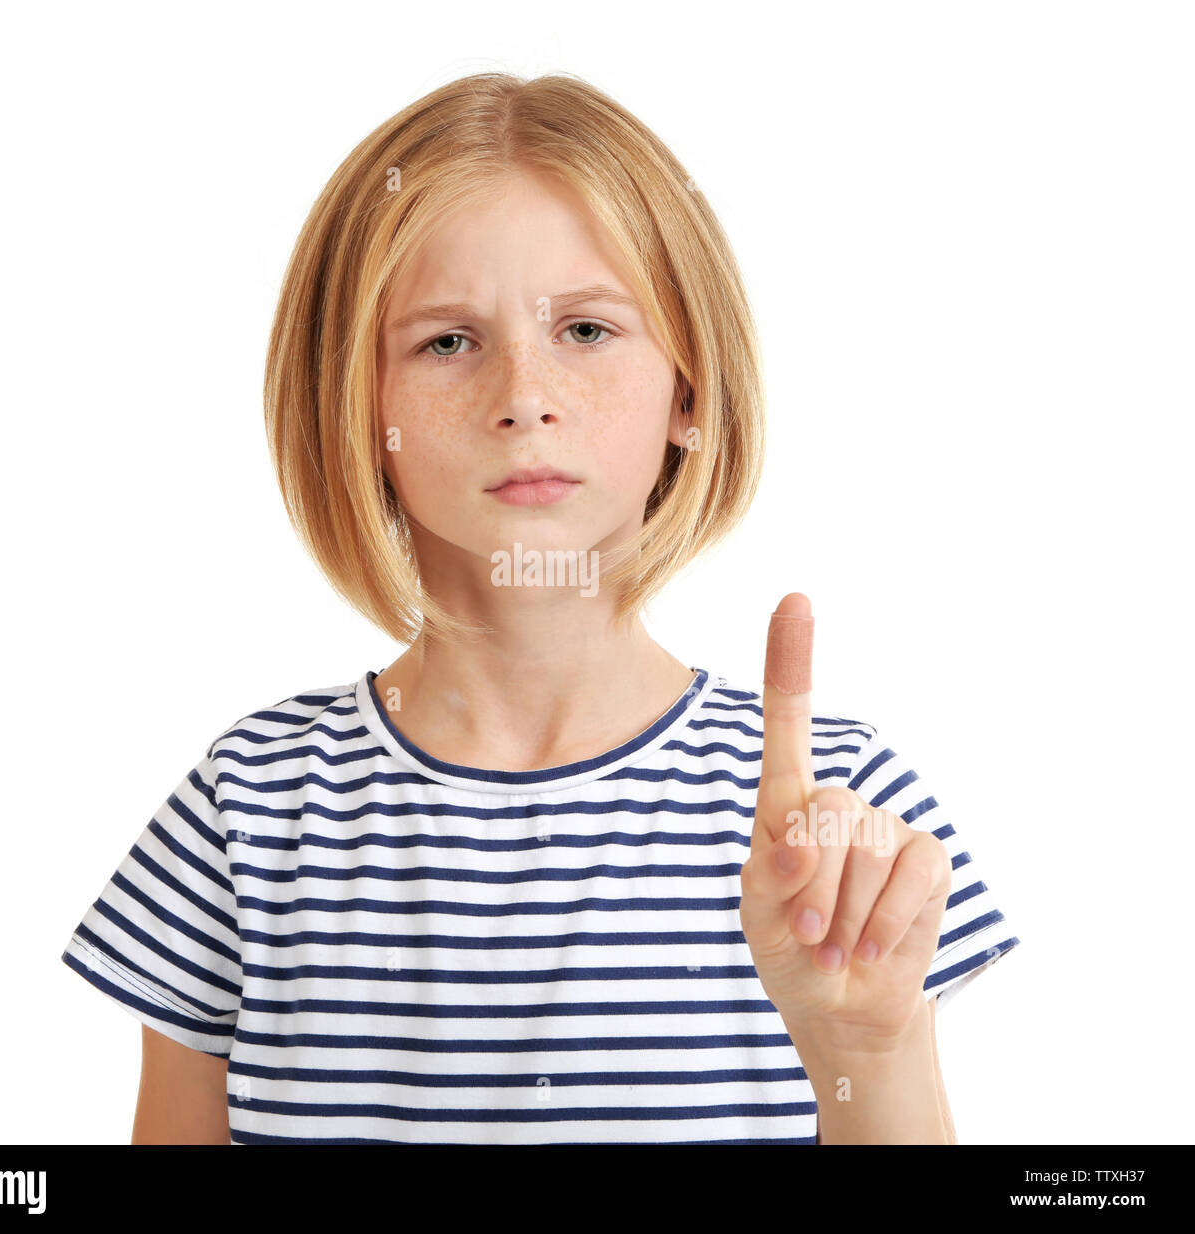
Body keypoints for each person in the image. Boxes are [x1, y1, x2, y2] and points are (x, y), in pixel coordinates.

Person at [60, 71, 1020, 1145]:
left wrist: (865, 1057)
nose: (524, 394)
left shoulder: (832, 815)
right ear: (354, 406)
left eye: (587, 330)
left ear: (687, 394)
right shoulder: (250, 808)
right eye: (448, 342)